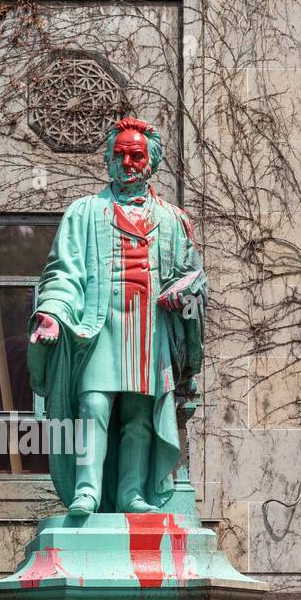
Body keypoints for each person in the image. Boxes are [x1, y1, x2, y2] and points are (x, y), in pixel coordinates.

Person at [27, 115, 207, 515]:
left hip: (148, 329)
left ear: (151, 162)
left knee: (139, 414)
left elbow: (193, 276)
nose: (127, 164)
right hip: (98, 326)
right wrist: (53, 313)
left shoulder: (174, 221)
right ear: (108, 159)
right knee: (93, 405)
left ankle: (131, 494)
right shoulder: (83, 213)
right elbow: (63, 271)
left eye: (136, 156)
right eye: (120, 155)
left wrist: (184, 294)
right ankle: (86, 491)